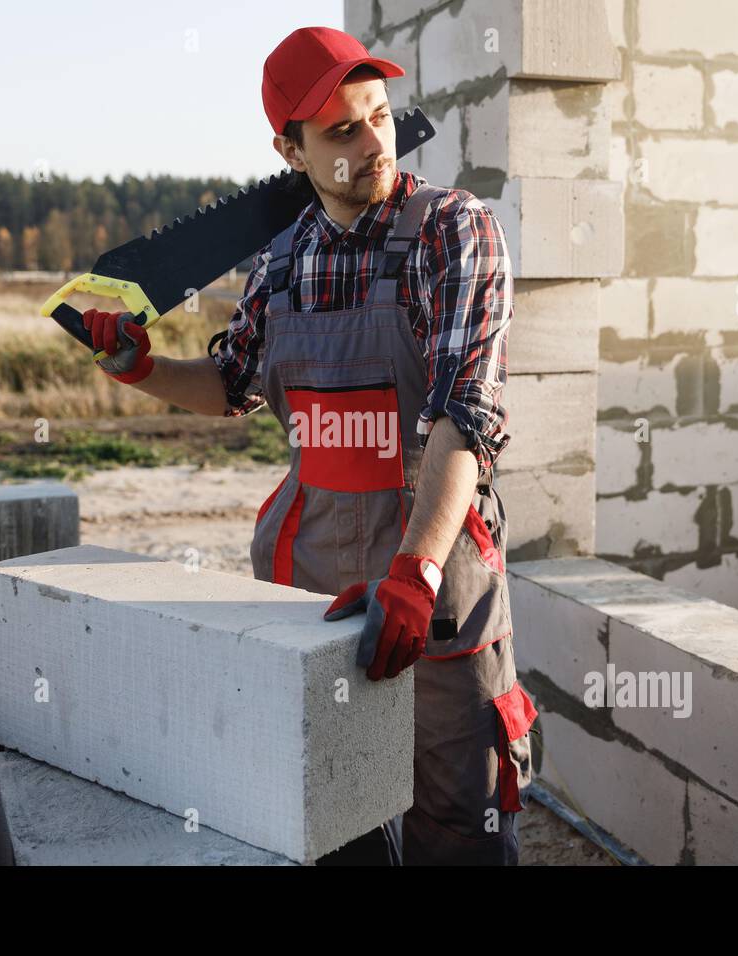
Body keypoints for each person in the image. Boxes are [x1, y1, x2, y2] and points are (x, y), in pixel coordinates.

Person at [79, 25, 536, 865]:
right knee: (330, 823)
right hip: (309, 587)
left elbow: (463, 413)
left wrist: (418, 568)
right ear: (289, 150)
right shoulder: (283, 260)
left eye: (379, 115)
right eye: (341, 131)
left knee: (458, 820)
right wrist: (140, 367)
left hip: (432, 586)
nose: (374, 145)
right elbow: (233, 384)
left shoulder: (454, 232)